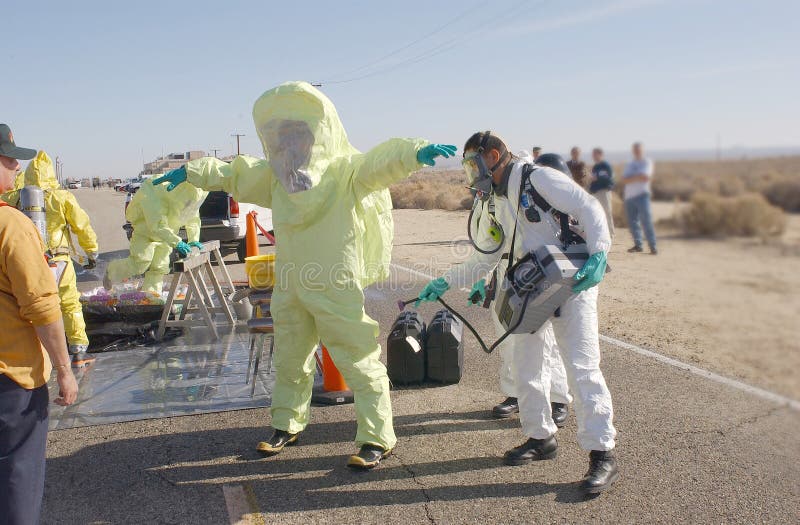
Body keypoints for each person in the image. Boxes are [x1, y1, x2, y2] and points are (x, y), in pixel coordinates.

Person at [154, 81, 456, 469]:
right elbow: (233, 174)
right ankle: (287, 424)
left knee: (357, 357)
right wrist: (191, 171)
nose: (290, 144)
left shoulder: (346, 171)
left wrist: (414, 151)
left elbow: (381, 162)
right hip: (293, 283)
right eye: (283, 137)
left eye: (298, 135)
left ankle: (377, 437)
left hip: (334, 282)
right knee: (291, 359)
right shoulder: (276, 178)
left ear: (317, 135)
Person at [418, 132, 618, 494]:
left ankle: (601, 453)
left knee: (582, 366)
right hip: (532, 288)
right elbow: (487, 256)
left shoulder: (537, 178)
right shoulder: (496, 201)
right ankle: (540, 437)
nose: (468, 173)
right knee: (528, 364)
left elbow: (589, 207)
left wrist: (600, 252)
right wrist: (445, 283)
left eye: (471, 164)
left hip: (574, 283)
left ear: (493, 155)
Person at [0, 124, 79, 525]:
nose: (15, 165)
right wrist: (65, 371)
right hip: (10, 381)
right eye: (7, 157)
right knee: (17, 475)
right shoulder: (11, 224)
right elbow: (42, 306)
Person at [485, 151, 571, 425]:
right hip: (506, 272)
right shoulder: (491, 199)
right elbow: (488, 242)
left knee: (547, 342)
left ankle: (558, 398)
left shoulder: (529, 192)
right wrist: (484, 278)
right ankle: (515, 394)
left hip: (537, 271)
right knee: (508, 338)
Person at [2, 151, 100, 367]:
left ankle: (41, 357)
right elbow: (82, 227)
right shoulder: (62, 197)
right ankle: (78, 353)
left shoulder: (15, 197)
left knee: (32, 308)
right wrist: (91, 252)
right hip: (60, 259)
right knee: (69, 305)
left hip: (31, 261)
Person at [104, 177, 208, 294]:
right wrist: (177, 242)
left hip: (166, 235)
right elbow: (157, 224)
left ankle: (151, 296)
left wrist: (193, 239)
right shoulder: (158, 190)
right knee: (140, 263)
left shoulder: (195, 193)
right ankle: (112, 271)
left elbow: (192, 217)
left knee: (159, 267)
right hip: (146, 232)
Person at [621, 142, 657, 254]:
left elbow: (645, 177)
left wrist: (631, 178)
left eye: (639, 149)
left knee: (646, 220)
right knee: (633, 222)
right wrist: (637, 177)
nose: (637, 151)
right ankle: (638, 245)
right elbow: (624, 180)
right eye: (635, 149)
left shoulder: (646, 162)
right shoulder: (630, 164)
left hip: (642, 195)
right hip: (629, 197)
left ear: (642, 150)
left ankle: (652, 245)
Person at [589, 147, 615, 238]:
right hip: (596, 192)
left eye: (595, 154)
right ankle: (602, 233)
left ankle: (611, 233)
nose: (593, 156)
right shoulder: (595, 167)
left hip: (604, 191)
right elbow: (593, 179)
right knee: (598, 213)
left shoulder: (605, 165)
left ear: (600, 154)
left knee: (607, 212)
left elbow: (610, 178)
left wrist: (598, 178)